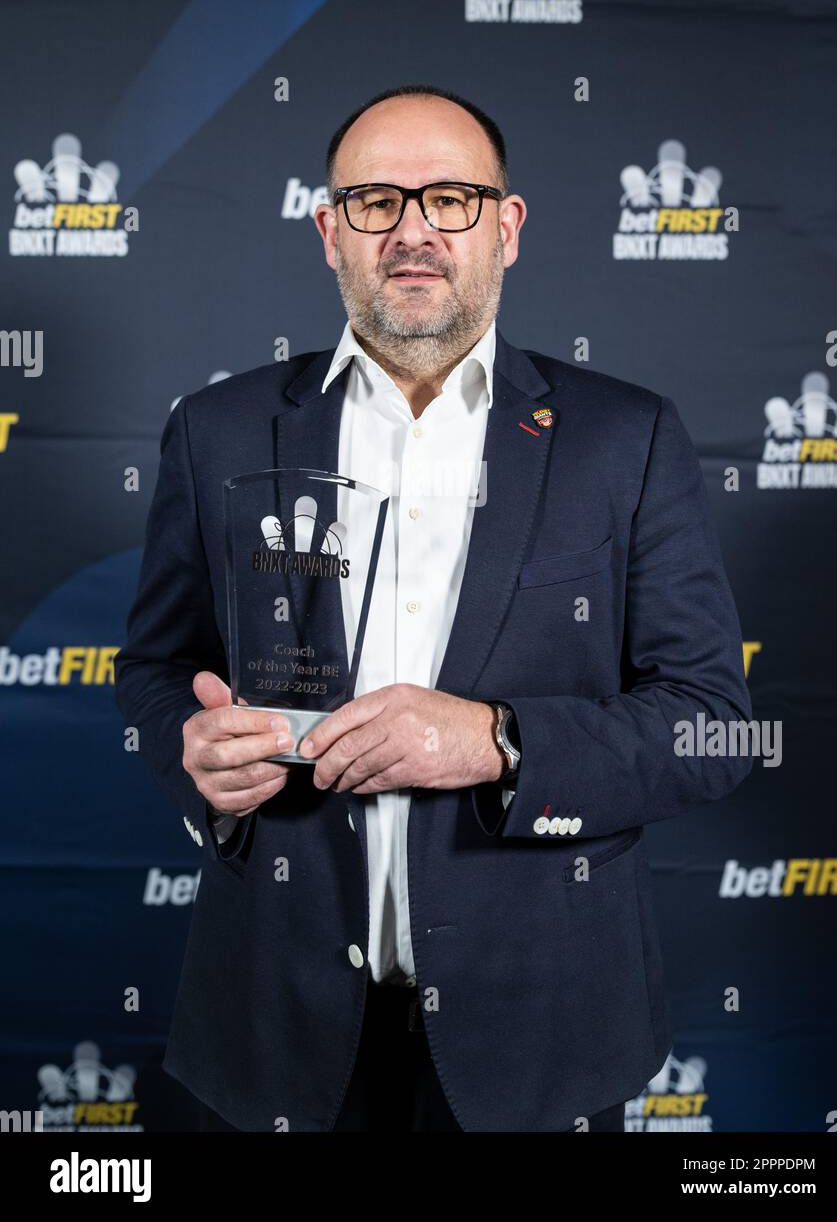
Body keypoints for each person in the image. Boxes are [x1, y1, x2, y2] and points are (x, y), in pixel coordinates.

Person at [114, 84, 753, 1133]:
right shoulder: (217, 432)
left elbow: (709, 723)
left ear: (505, 228)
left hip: (542, 1025)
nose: (412, 229)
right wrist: (187, 751)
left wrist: (497, 741)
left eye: (451, 198)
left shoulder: (621, 439)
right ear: (330, 233)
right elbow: (149, 672)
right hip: (279, 1022)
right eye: (373, 200)